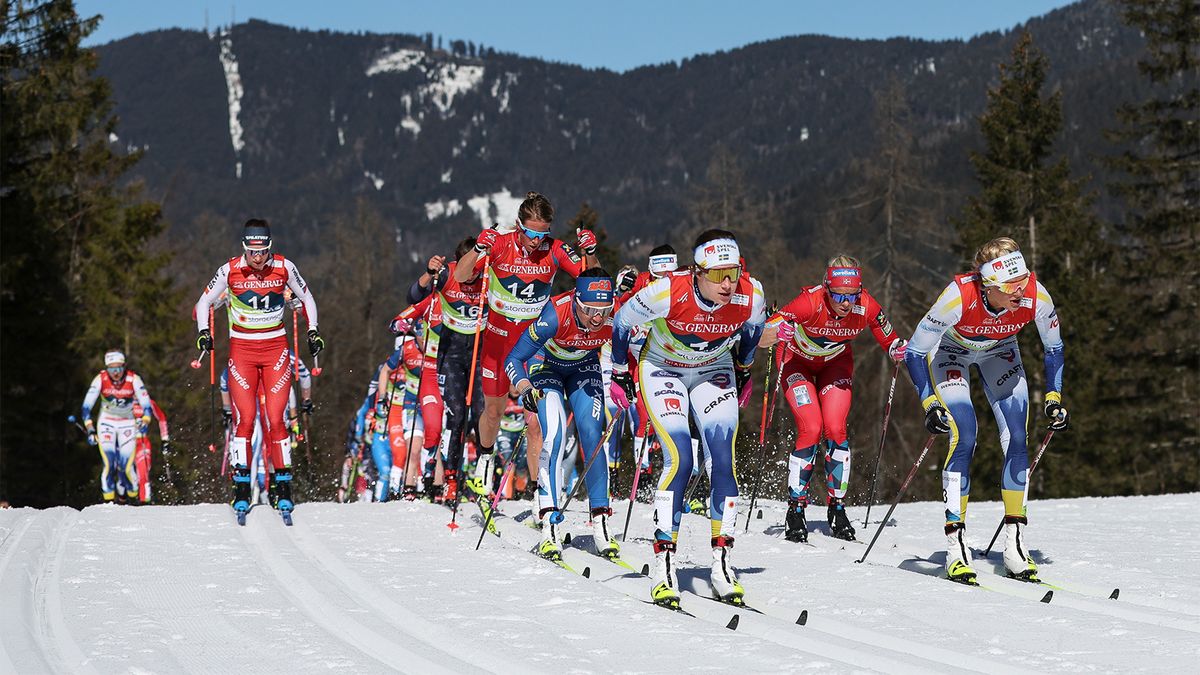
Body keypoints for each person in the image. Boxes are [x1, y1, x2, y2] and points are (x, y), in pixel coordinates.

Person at [610, 230, 766, 609]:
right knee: (680, 459)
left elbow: (754, 330)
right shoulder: (666, 291)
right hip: (664, 370)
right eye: (716, 275)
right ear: (697, 272)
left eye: (733, 272)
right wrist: (617, 371)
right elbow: (620, 322)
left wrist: (744, 368)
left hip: (714, 370)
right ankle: (665, 562)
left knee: (723, 462)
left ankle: (721, 564)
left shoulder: (751, 294)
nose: (727, 284)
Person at [904, 237, 1067, 585]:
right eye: (1010, 286)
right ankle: (955, 547)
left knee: (1018, 437)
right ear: (987, 284)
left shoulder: (1036, 296)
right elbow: (914, 352)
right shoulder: (957, 297)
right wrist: (929, 402)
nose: (1019, 292)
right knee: (965, 436)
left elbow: (1054, 349)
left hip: (1000, 353)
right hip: (951, 354)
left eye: (1022, 281)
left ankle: (1015, 545)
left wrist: (1054, 395)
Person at [455, 192, 599, 500]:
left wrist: (590, 252)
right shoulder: (499, 244)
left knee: (535, 420)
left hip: (534, 343)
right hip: (496, 340)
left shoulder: (556, 250)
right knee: (493, 412)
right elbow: (461, 275)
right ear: (519, 225)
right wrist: (479, 248)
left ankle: (538, 491)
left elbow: (594, 284)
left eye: (542, 233)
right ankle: (484, 459)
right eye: (531, 233)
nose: (536, 241)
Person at [765, 255, 907, 543]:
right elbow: (768, 329)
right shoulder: (810, 302)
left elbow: (889, 336)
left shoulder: (865, 305)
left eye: (852, 294)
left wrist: (895, 349)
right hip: (797, 363)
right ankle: (796, 508)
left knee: (836, 429)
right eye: (839, 295)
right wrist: (778, 328)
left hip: (835, 365)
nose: (845, 302)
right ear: (827, 288)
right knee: (811, 428)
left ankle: (837, 507)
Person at [195, 219, 322, 519]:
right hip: (242, 351)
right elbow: (203, 302)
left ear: (270, 246)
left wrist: (312, 331)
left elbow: (308, 297)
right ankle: (241, 490)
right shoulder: (229, 270)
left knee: (277, 419)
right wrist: (204, 331)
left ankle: (283, 490)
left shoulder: (284, 267)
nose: (258, 258)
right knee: (246, 420)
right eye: (253, 252)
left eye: (263, 250)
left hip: (276, 350)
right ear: (244, 247)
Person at [505, 269, 618, 561]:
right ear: (577, 300)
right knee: (554, 436)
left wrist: (627, 379)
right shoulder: (555, 314)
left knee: (593, 436)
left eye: (603, 310)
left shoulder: (615, 317)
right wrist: (524, 386)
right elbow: (514, 358)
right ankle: (549, 522)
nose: (597, 317)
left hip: (584, 369)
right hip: (547, 369)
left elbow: (633, 350)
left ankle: (602, 522)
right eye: (590, 309)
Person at [407, 237, 487, 505]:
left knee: (482, 414)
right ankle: (451, 479)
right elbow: (414, 297)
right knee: (456, 416)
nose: (471, 275)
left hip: (479, 354)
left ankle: (483, 477)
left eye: (476, 269)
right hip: (450, 354)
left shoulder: (489, 276)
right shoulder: (448, 274)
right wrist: (429, 274)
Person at [80, 350, 153, 504]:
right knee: (110, 463)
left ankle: (133, 498)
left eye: (119, 368)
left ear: (124, 367)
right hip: (107, 422)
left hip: (127, 423)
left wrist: (145, 421)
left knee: (126, 466)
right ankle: (109, 502)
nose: (116, 373)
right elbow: (86, 407)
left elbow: (147, 405)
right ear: (107, 369)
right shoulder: (100, 379)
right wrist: (91, 430)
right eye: (112, 369)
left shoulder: (134, 379)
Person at [131, 398, 169, 504]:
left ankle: (145, 503)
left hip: (142, 442)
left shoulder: (148, 401)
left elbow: (161, 418)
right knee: (128, 476)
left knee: (143, 474)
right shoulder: (122, 400)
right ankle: (128, 502)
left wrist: (165, 439)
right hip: (125, 443)